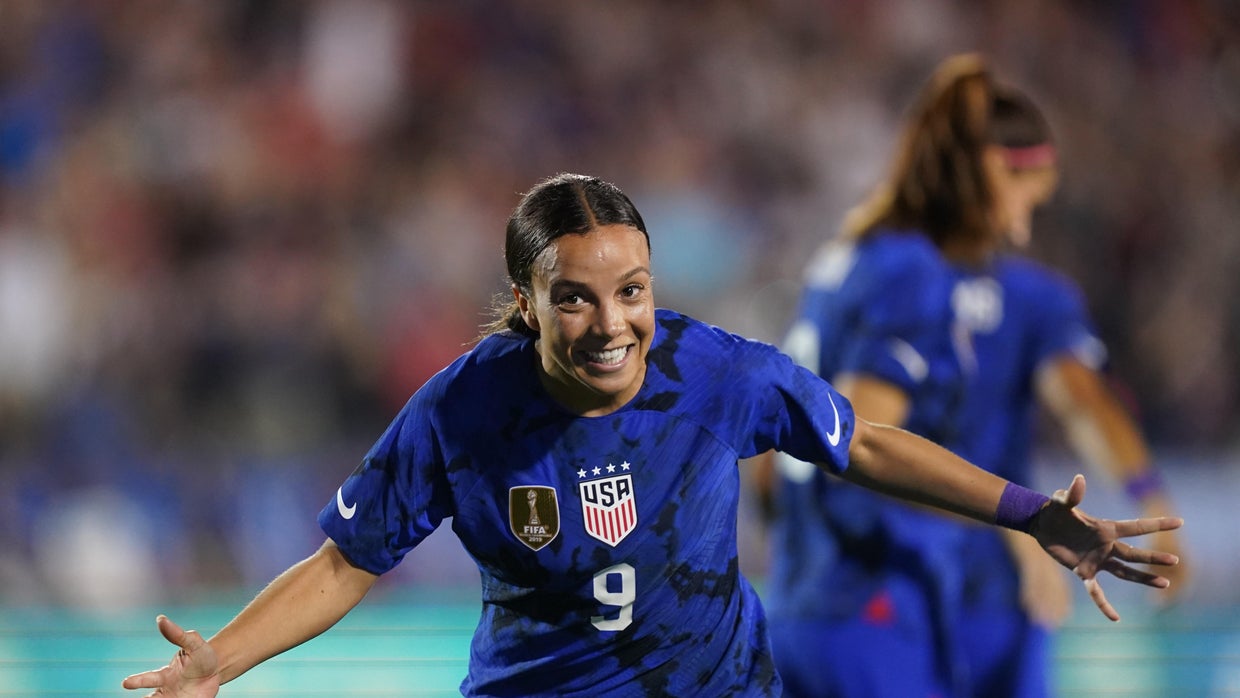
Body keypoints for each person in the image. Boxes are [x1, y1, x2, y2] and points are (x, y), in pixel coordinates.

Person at [122, 172, 1181, 698]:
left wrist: (1031, 510)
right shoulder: (462, 411)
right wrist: (222, 658)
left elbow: (863, 443)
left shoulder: (712, 370)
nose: (612, 322)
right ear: (528, 302)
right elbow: (348, 560)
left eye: (630, 290)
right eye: (575, 299)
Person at [758, 54, 1188, 698]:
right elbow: (860, 440)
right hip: (875, 600)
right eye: (1025, 197)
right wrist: (1022, 521)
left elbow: (783, 452)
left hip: (809, 594)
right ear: (990, 174)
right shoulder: (915, 275)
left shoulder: (847, 257)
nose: (1023, 224)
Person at [950, 82, 1190, 698]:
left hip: (871, 580)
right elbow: (1082, 401)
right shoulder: (1030, 298)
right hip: (987, 580)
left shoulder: (861, 279)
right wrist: (1152, 502)